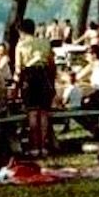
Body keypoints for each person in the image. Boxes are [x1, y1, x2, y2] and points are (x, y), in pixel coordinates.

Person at [15, 18, 57, 157]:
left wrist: (17, 85)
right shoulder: (45, 43)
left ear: (21, 31)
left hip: (29, 77)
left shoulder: (21, 45)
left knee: (33, 113)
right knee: (44, 113)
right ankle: (44, 146)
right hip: (44, 75)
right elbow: (52, 64)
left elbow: (19, 68)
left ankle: (34, 146)